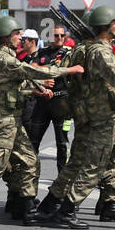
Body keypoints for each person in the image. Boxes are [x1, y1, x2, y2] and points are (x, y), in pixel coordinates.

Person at [0, 15, 81, 227]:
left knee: (28, 161)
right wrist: (70, 69)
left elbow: (8, 89)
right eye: (17, 34)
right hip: (3, 121)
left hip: (9, 119)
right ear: (5, 37)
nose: (21, 37)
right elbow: (32, 70)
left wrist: (34, 91)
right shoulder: (2, 59)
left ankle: (25, 206)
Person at [43, 6, 115, 230]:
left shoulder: (99, 50)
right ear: (105, 25)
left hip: (110, 115)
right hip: (103, 116)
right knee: (93, 167)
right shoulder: (99, 52)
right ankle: (67, 209)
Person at [25, 25, 71, 172]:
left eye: (62, 36)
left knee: (63, 143)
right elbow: (31, 70)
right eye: (56, 36)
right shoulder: (42, 53)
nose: (59, 38)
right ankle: (29, 177)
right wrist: (42, 82)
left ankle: (62, 180)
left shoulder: (69, 54)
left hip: (63, 104)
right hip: (42, 103)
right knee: (33, 141)